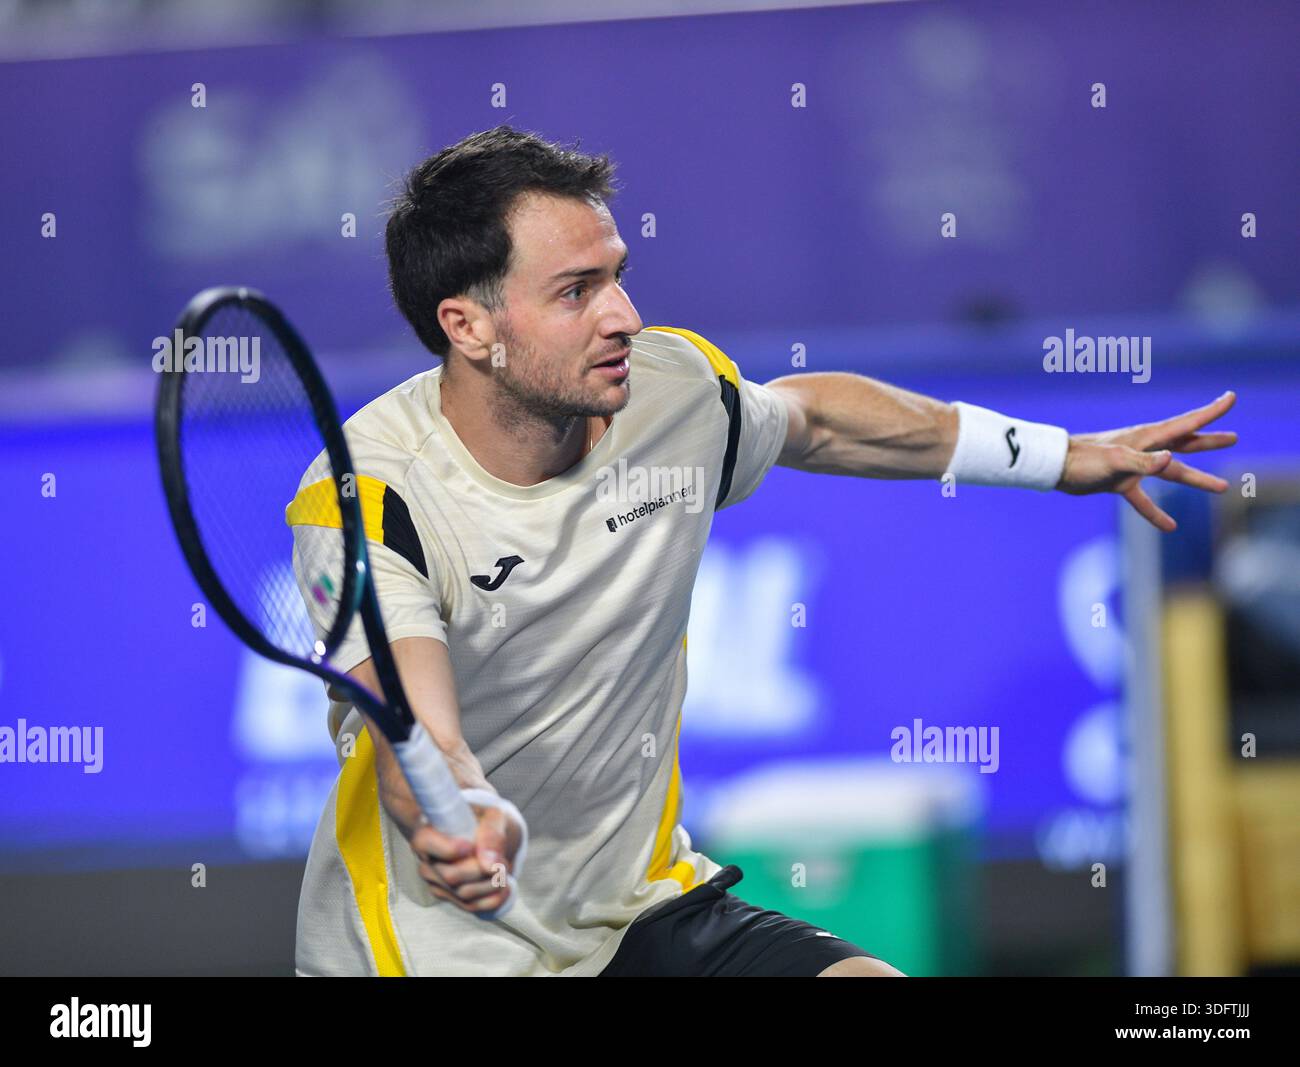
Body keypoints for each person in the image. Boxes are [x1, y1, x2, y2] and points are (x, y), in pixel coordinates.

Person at [288, 125, 1237, 977]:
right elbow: (411, 725)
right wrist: (454, 817)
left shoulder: (669, 393)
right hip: (432, 955)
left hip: (639, 912)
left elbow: (819, 420)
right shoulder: (364, 501)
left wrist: (1061, 456)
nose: (622, 314)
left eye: (616, 273)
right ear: (470, 326)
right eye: (576, 291)